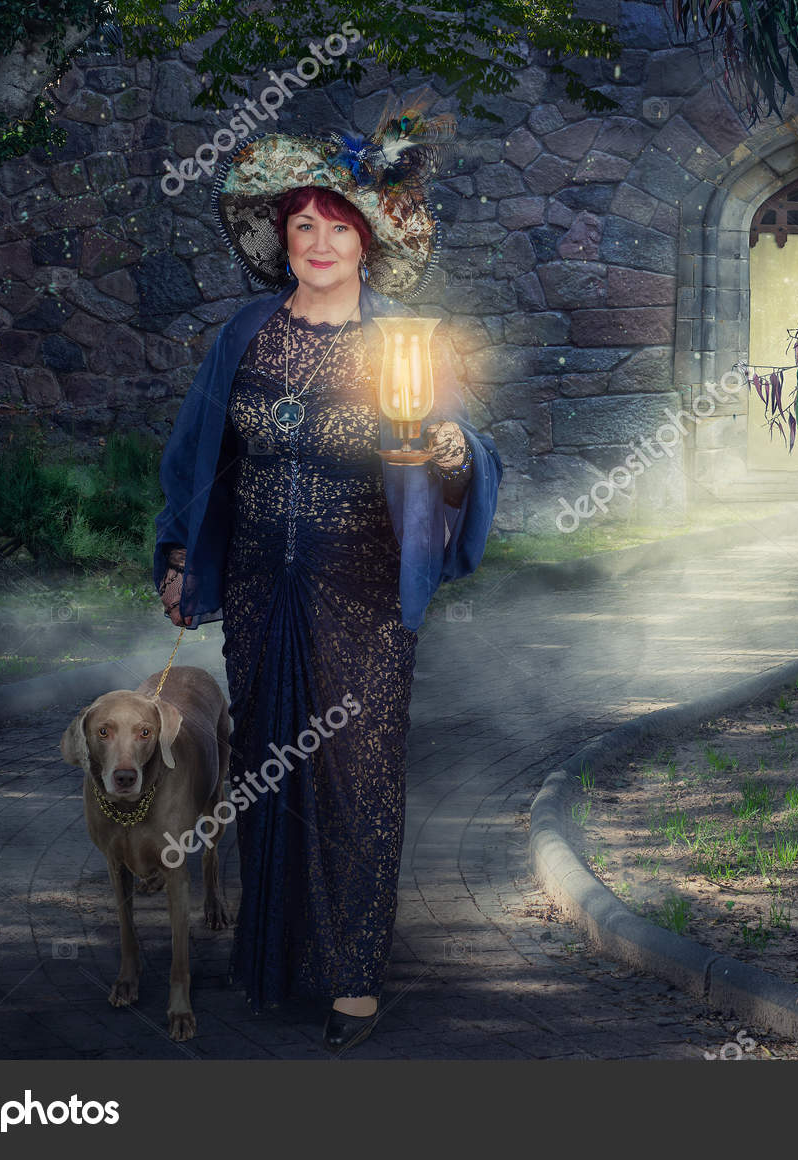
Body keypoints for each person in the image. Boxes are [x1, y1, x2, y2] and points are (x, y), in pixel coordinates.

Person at [151, 110, 502, 1053]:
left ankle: (352, 979)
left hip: (364, 591)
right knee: (268, 770)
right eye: (303, 224)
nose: (317, 242)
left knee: (357, 778)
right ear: (282, 237)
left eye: (338, 226)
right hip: (264, 589)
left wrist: (450, 449)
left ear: (369, 242)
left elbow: (467, 457)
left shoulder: (407, 345)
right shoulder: (244, 335)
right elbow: (197, 456)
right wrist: (183, 555)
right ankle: (276, 964)